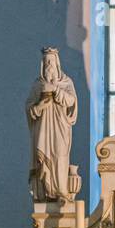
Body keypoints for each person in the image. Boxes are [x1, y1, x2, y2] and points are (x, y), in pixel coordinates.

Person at [27, 48, 78, 201]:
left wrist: (55, 90)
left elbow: (71, 101)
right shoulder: (38, 85)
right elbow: (29, 108)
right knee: (44, 160)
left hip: (60, 127)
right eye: (46, 62)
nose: (49, 65)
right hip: (42, 130)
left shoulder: (66, 82)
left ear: (57, 64)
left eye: (52, 61)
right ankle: (47, 193)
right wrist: (39, 106)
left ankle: (61, 192)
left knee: (60, 156)